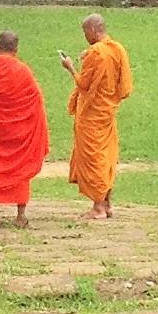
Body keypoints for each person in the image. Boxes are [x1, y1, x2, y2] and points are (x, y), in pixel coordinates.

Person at [0, 30, 49, 228]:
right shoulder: (23, 71)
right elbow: (35, 99)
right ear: (16, 49)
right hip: (20, 128)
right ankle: (20, 215)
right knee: (20, 167)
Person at [60, 14, 133, 219]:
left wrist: (70, 67)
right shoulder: (117, 49)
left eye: (85, 33)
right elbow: (125, 87)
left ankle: (99, 207)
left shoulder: (97, 53)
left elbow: (83, 84)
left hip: (93, 114)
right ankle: (107, 203)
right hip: (107, 111)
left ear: (92, 30)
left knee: (95, 158)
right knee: (106, 156)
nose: (85, 37)